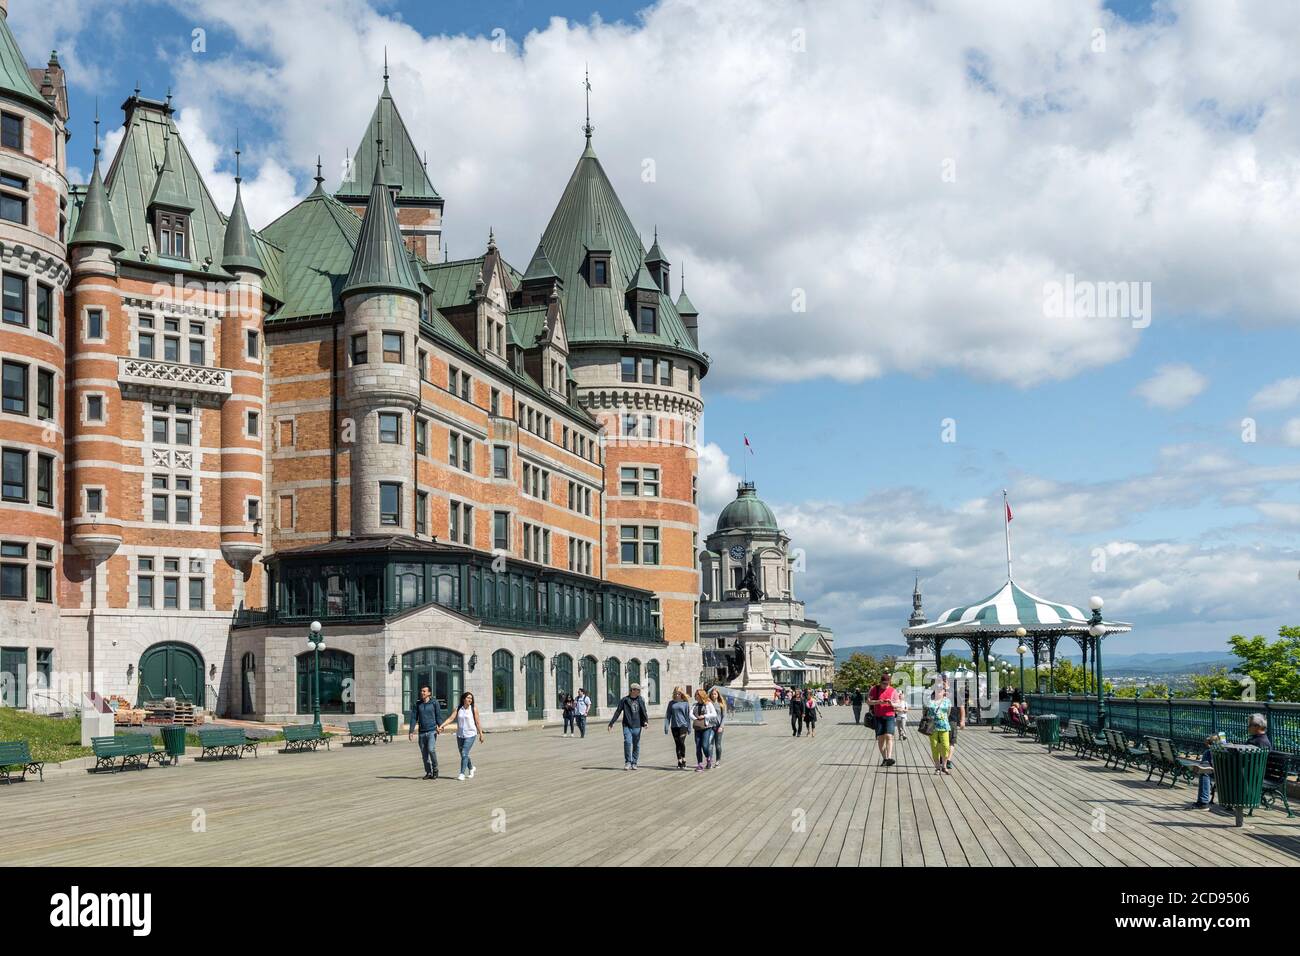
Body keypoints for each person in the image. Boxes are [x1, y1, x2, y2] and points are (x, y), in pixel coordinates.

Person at [439, 690, 483, 781]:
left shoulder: (473, 708)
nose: (470, 699)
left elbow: (478, 722)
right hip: (460, 735)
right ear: (463, 699)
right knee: (463, 754)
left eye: (471, 698)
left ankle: (462, 773)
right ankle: (471, 768)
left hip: (471, 734)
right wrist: (442, 725)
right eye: (468, 698)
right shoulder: (458, 708)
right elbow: (451, 718)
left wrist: (481, 734)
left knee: (464, 753)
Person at [607, 682, 650, 770]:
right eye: (638, 690)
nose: (639, 692)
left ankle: (634, 763)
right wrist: (611, 723)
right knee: (627, 742)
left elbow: (644, 711)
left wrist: (646, 721)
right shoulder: (624, 700)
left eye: (639, 690)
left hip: (637, 726)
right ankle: (628, 762)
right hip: (627, 725)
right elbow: (618, 712)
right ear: (632, 690)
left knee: (636, 744)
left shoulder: (640, 700)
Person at [407, 685, 444, 780]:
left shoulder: (434, 703)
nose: (422, 693)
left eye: (424, 691)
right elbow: (414, 718)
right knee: (424, 755)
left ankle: (435, 769)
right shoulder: (418, 704)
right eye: (421, 691)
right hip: (422, 733)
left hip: (432, 731)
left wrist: (440, 726)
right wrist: (411, 731)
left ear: (429, 693)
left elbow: (438, 716)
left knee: (431, 749)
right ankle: (428, 772)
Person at [867, 671, 901, 766]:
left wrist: (891, 703)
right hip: (878, 716)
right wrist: (878, 702)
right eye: (884, 684)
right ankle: (885, 758)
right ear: (880, 682)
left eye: (887, 684)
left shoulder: (893, 691)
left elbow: (898, 703)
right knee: (881, 738)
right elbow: (869, 701)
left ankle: (889, 757)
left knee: (889, 736)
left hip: (890, 715)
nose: (886, 685)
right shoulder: (874, 689)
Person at [664, 687, 692, 769]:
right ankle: (679, 761)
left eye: (679, 693)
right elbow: (668, 715)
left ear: (681, 694)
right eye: (676, 693)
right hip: (674, 726)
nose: (677, 695)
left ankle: (684, 759)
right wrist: (666, 726)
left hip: (683, 725)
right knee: (677, 744)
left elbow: (687, 716)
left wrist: (689, 727)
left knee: (681, 742)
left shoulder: (685, 703)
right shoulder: (671, 703)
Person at [692, 688, 718, 771]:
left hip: (707, 727)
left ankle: (708, 758)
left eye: (697, 695)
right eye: (695, 695)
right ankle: (699, 764)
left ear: (701, 695)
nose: (696, 696)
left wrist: (704, 716)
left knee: (704, 745)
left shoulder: (708, 704)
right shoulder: (694, 705)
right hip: (697, 727)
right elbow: (690, 714)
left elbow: (714, 714)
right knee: (698, 746)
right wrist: (695, 718)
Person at [929, 683, 953, 774]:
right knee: (934, 746)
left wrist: (942, 719)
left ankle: (944, 765)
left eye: (941, 689)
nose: (939, 690)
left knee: (946, 746)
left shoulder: (947, 701)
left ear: (944, 691)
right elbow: (925, 712)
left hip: (944, 726)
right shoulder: (930, 701)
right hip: (932, 726)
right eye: (937, 689)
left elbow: (948, 713)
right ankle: (937, 767)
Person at [945, 676, 963, 770]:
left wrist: (962, 720)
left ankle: (948, 760)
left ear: (947, 681)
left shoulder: (954, 693)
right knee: (942, 742)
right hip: (940, 720)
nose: (942, 682)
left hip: (952, 719)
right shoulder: (937, 691)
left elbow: (961, 707)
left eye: (944, 680)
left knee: (951, 741)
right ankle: (942, 758)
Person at [709, 687, 727, 766]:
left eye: (715, 694)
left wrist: (721, 726)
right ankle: (709, 760)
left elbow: (724, 716)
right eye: (712, 694)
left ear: (718, 695)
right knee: (710, 744)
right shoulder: (708, 704)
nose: (713, 695)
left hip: (718, 727)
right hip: (710, 727)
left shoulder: (721, 704)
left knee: (718, 745)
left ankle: (718, 760)